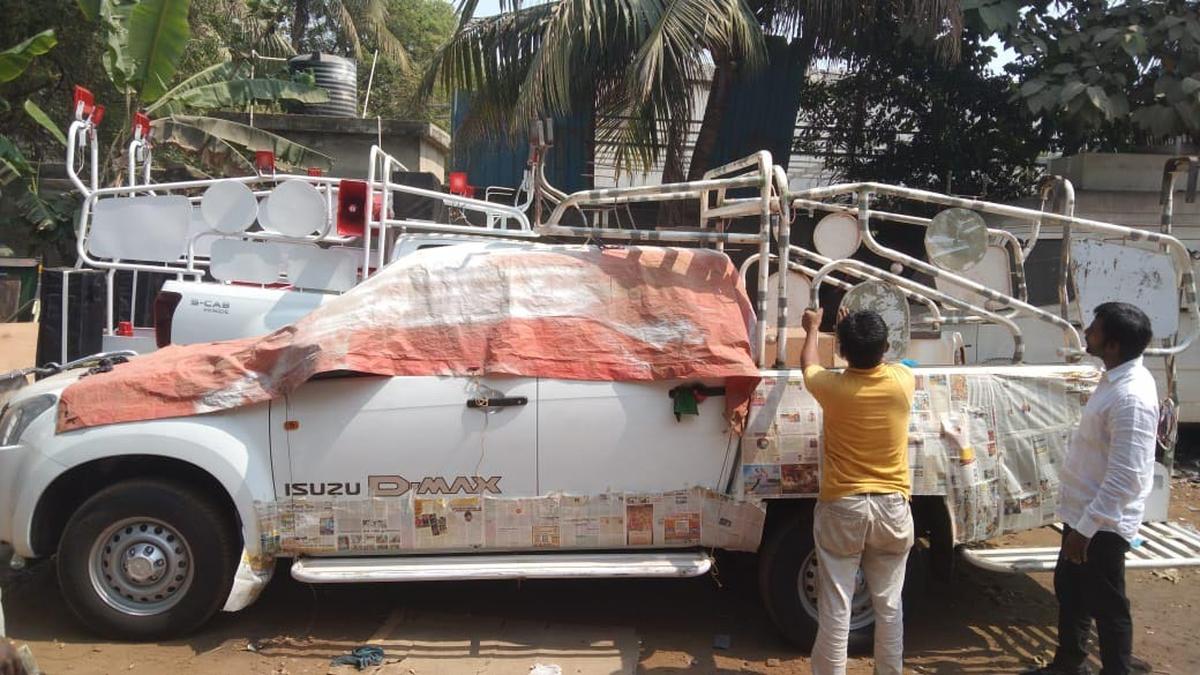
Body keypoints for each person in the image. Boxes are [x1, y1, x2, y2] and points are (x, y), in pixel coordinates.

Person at [1022, 302, 1158, 675]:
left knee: (1107, 604)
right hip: (1083, 514)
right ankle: (1069, 663)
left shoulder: (1130, 397)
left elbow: (1126, 476)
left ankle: (1116, 668)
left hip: (1101, 524)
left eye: (1094, 330)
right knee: (1071, 592)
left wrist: (1086, 530)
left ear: (1112, 345)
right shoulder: (1114, 377)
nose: (1087, 333)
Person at [800, 307, 915, 675]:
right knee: (889, 607)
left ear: (843, 352)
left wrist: (815, 329)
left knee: (836, 609)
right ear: (885, 347)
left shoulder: (831, 388)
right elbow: (890, 358)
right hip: (893, 509)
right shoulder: (903, 380)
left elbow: (808, 364)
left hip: (843, 508)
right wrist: (856, 333)